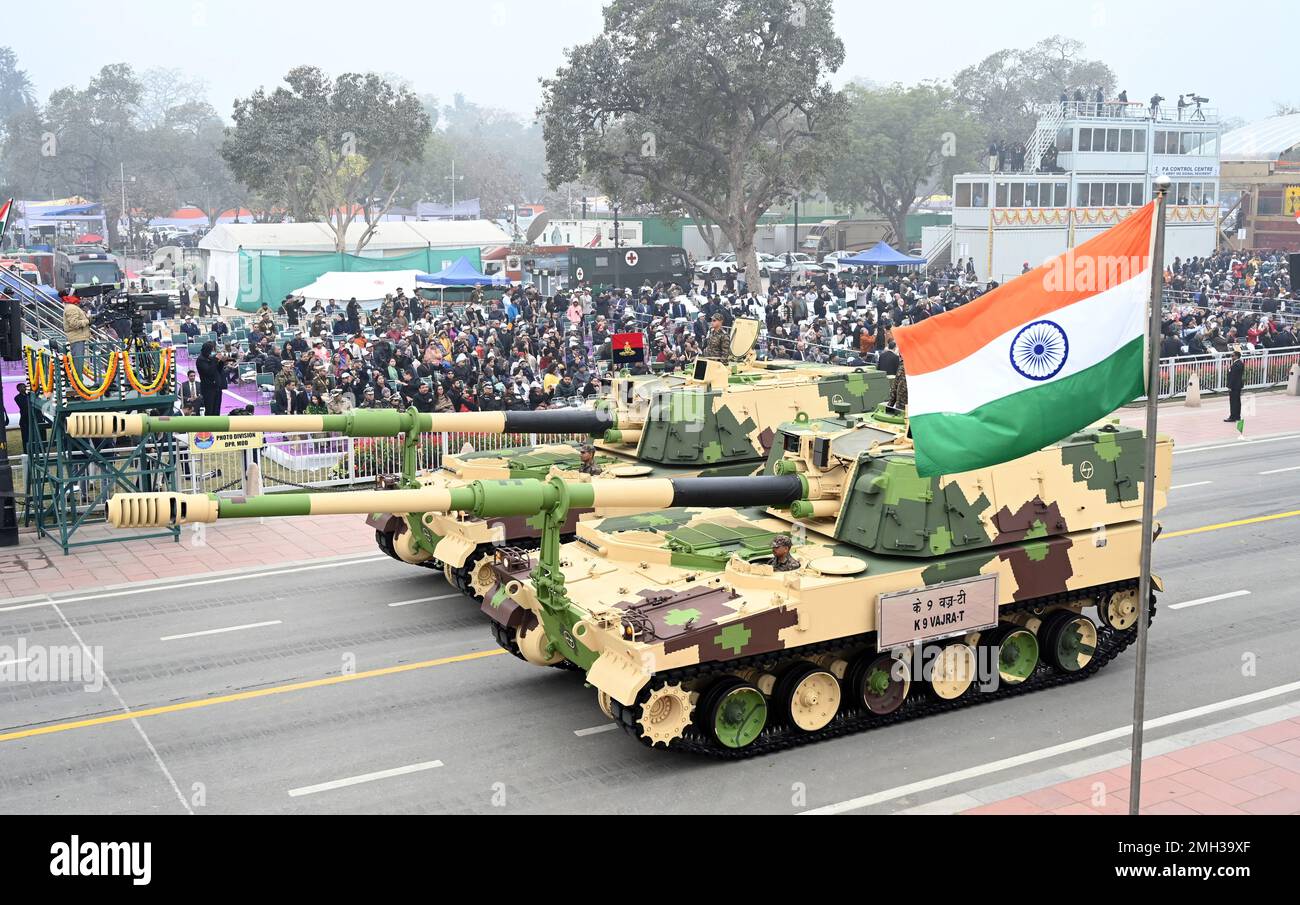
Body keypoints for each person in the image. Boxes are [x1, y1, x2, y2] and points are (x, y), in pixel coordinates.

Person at [195, 341, 226, 417]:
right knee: (210, 409)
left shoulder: (210, 358)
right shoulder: (200, 360)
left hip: (217, 387)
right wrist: (215, 360)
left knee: (217, 409)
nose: (212, 352)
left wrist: (221, 361)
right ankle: (209, 427)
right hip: (208, 389)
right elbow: (209, 371)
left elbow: (218, 370)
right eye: (211, 350)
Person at [62, 293, 91, 369]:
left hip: (78, 337)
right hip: (77, 338)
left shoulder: (72, 307)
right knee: (78, 363)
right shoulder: (72, 308)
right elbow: (74, 323)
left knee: (79, 361)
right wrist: (87, 321)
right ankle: (77, 379)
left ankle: (77, 378)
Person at [1225, 350, 1244, 423]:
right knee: (1236, 401)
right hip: (1237, 385)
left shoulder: (1237, 364)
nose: (1231, 357)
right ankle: (1237, 416)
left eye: (1232, 356)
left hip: (1234, 386)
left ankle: (1233, 416)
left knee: (1234, 402)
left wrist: (1229, 386)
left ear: (1236, 356)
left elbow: (1233, 376)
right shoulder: (1238, 363)